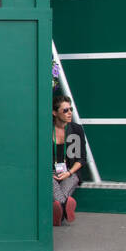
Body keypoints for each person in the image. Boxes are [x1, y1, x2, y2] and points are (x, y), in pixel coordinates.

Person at [52, 93, 86, 226]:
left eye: (70, 109)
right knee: (49, 181)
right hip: (50, 173)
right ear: (55, 113)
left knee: (66, 186)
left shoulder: (76, 129)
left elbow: (81, 158)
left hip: (70, 172)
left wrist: (69, 172)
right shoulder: (46, 130)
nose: (69, 113)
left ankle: (59, 210)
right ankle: (65, 206)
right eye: (65, 110)